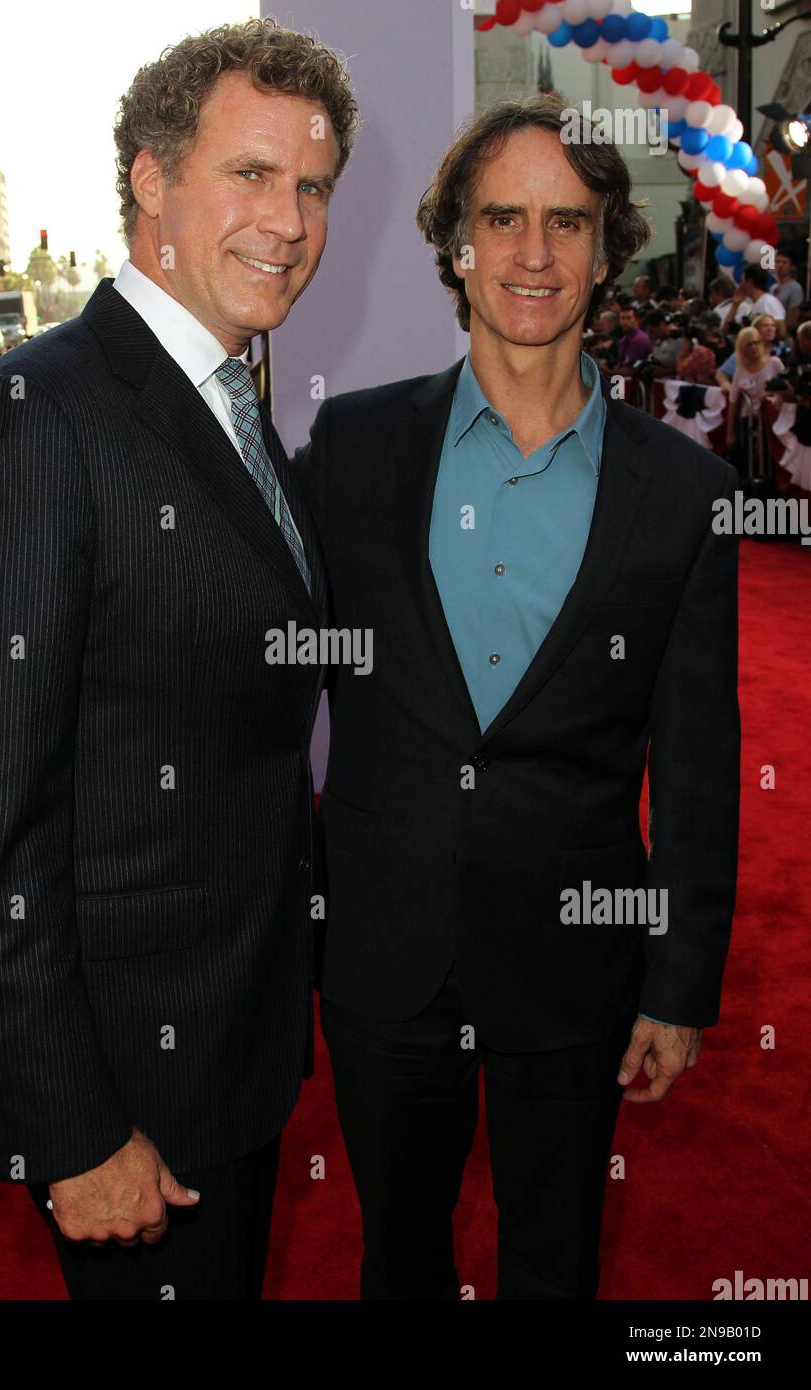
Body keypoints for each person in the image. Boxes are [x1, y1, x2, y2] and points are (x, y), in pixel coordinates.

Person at [0, 17, 358, 1301]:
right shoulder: (30, 426)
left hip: (232, 1035)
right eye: (251, 175)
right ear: (150, 179)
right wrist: (73, 1129)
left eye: (311, 186)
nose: (290, 219)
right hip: (124, 1082)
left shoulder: (222, 395)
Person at [295, 91, 740, 1301]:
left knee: (558, 1263)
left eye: (567, 222)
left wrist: (681, 980)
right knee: (399, 1259)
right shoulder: (354, 451)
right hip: (386, 947)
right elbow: (252, 665)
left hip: (577, 958)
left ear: (607, 246)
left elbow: (700, 765)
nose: (533, 255)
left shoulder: (685, 494)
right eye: (501, 218)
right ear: (454, 243)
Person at [725, 324, 785, 459]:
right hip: (749, 421)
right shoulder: (740, 371)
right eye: (748, 345)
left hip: (772, 419)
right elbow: (733, 402)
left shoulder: (774, 363)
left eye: (756, 342)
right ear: (742, 349)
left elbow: (786, 388)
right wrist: (730, 433)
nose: (753, 347)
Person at [723, 265, 787, 338]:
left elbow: (781, 331)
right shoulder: (749, 305)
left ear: (749, 282)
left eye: (742, 280)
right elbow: (724, 331)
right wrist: (735, 305)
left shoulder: (769, 302)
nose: (740, 285)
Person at [771, 251, 803, 332]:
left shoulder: (795, 288)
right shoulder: (773, 287)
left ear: (792, 267)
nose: (780, 265)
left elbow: (792, 321)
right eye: (777, 262)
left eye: (784, 262)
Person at [616, 302, 652, 367]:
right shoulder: (623, 340)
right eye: (622, 318)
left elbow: (633, 370)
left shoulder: (640, 339)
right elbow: (620, 364)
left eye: (628, 318)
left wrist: (609, 371)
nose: (625, 322)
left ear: (636, 320)